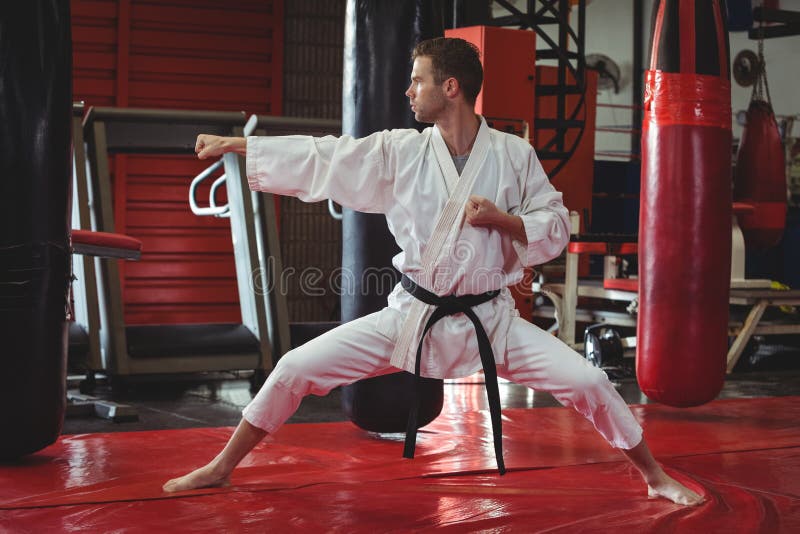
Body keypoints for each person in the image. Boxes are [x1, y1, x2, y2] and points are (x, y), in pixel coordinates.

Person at [163, 37, 704, 506]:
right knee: (293, 368)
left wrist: (504, 220)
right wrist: (241, 146)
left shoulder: (514, 154)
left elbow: (556, 224)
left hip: (492, 321)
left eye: (417, 80)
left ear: (450, 87)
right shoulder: (402, 151)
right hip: (412, 316)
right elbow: (327, 157)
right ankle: (220, 467)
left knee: (590, 381)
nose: (408, 91)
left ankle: (654, 477)